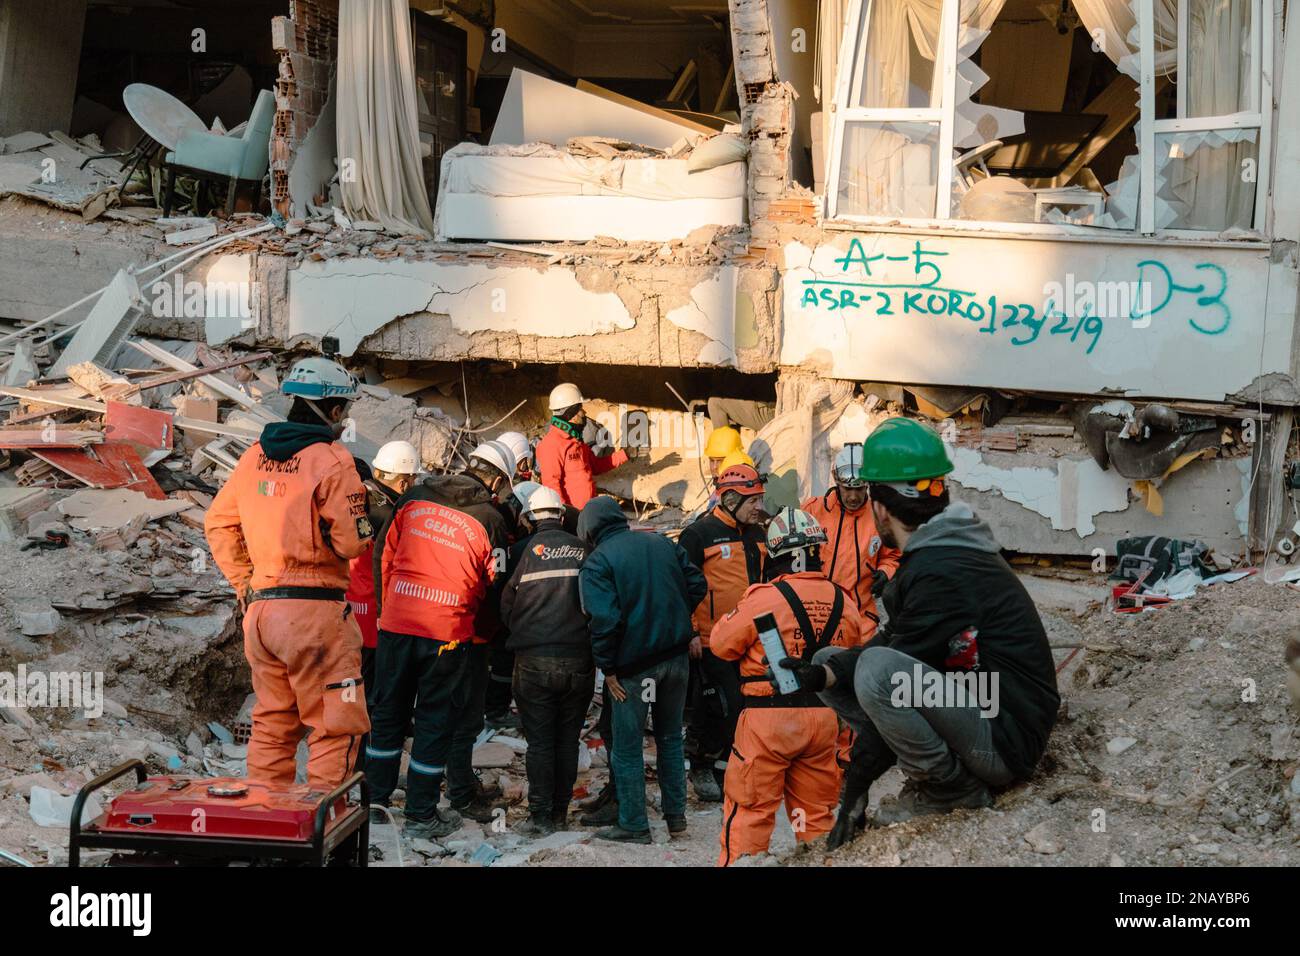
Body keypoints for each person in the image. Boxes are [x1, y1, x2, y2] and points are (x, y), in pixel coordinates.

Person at [778, 418, 1060, 847]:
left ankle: (949, 787)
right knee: (829, 662)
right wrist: (824, 675)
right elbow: (896, 642)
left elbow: (893, 674)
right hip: (988, 711)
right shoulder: (947, 550)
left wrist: (855, 789)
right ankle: (945, 773)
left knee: (875, 670)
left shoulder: (941, 569)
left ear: (880, 508)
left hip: (1005, 742)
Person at [205, 357, 372, 788]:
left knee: (274, 722)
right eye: (344, 411)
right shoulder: (333, 462)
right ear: (334, 410)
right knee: (336, 724)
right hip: (316, 616)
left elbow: (218, 523)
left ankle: (266, 814)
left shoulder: (253, 457)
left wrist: (244, 582)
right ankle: (324, 820)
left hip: (262, 613)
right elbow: (352, 544)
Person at [365, 440, 513, 840]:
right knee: (433, 721)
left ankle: (374, 804)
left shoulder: (412, 498)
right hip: (447, 634)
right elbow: (495, 587)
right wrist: (482, 634)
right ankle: (420, 815)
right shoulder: (490, 519)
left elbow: (383, 556)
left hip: (397, 624)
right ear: (496, 482)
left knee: (388, 714)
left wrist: (385, 610)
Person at [710, 507, 865, 865]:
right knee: (814, 815)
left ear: (775, 553)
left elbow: (721, 644)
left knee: (751, 810)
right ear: (816, 551)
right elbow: (853, 652)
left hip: (769, 720)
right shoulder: (844, 600)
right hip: (824, 720)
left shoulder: (764, 597)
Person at [577, 497, 707, 844]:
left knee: (627, 746)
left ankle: (634, 825)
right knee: (670, 738)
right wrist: (673, 615)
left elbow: (604, 620)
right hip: (677, 659)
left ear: (588, 530)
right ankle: (676, 819)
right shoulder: (661, 542)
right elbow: (697, 584)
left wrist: (608, 667)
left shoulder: (598, 562)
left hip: (634, 669)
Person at [499, 485, 593, 836]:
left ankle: (539, 817)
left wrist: (523, 631)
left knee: (540, 742)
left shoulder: (519, 551)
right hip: (578, 659)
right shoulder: (584, 549)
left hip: (533, 660)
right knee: (567, 740)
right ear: (562, 515)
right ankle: (560, 813)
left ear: (528, 517)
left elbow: (505, 605)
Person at [677, 463, 768, 802]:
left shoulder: (759, 533)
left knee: (746, 704)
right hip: (712, 639)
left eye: (760, 498)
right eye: (752, 500)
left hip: (752, 638)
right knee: (719, 703)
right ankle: (701, 762)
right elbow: (681, 586)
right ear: (730, 500)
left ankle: (727, 766)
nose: (759, 506)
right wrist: (691, 631)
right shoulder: (699, 534)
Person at [346, 441, 421, 696]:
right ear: (403, 483)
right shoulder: (390, 512)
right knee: (372, 681)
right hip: (374, 606)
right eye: (413, 480)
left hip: (348, 600)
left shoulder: (357, 495)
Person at [801, 442, 900, 631]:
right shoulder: (812, 511)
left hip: (860, 621)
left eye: (860, 488)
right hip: (816, 615)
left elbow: (893, 556)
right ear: (835, 479)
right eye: (847, 488)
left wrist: (885, 572)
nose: (853, 496)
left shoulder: (880, 516)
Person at [535, 383, 629, 510]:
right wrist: (566, 515)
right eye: (580, 408)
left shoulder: (577, 442)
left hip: (588, 512)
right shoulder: (551, 444)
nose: (584, 413)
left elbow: (596, 466)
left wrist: (625, 454)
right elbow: (552, 486)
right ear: (571, 413)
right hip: (573, 516)